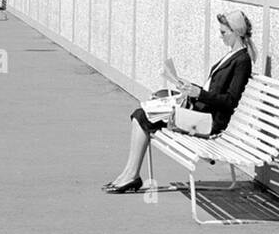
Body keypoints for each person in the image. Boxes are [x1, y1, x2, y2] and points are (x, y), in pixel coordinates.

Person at [103, 10, 255, 194]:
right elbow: (213, 90)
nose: (220, 36)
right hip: (201, 113)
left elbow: (230, 101)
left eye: (223, 32)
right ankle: (128, 174)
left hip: (209, 123)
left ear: (236, 32)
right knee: (146, 109)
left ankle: (131, 176)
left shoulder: (242, 60)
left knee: (142, 116)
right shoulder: (232, 55)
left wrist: (199, 93)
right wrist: (190, 89)